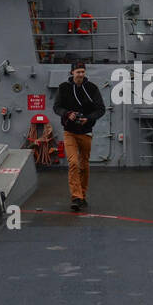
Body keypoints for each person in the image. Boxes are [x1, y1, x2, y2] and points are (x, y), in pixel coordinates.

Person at [53, 60, 105, 211]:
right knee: (73, 163)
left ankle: (82, 194)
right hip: (70, 132)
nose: (81, 74)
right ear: (72, 73)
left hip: (86, 132)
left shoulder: (92, 88)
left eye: (83, 71)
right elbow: (57, 107)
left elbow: (101, 109)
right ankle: (76, 197)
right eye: (78, 72)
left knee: (84, 165)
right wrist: (67, 114)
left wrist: (88, 118)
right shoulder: (63, 88)